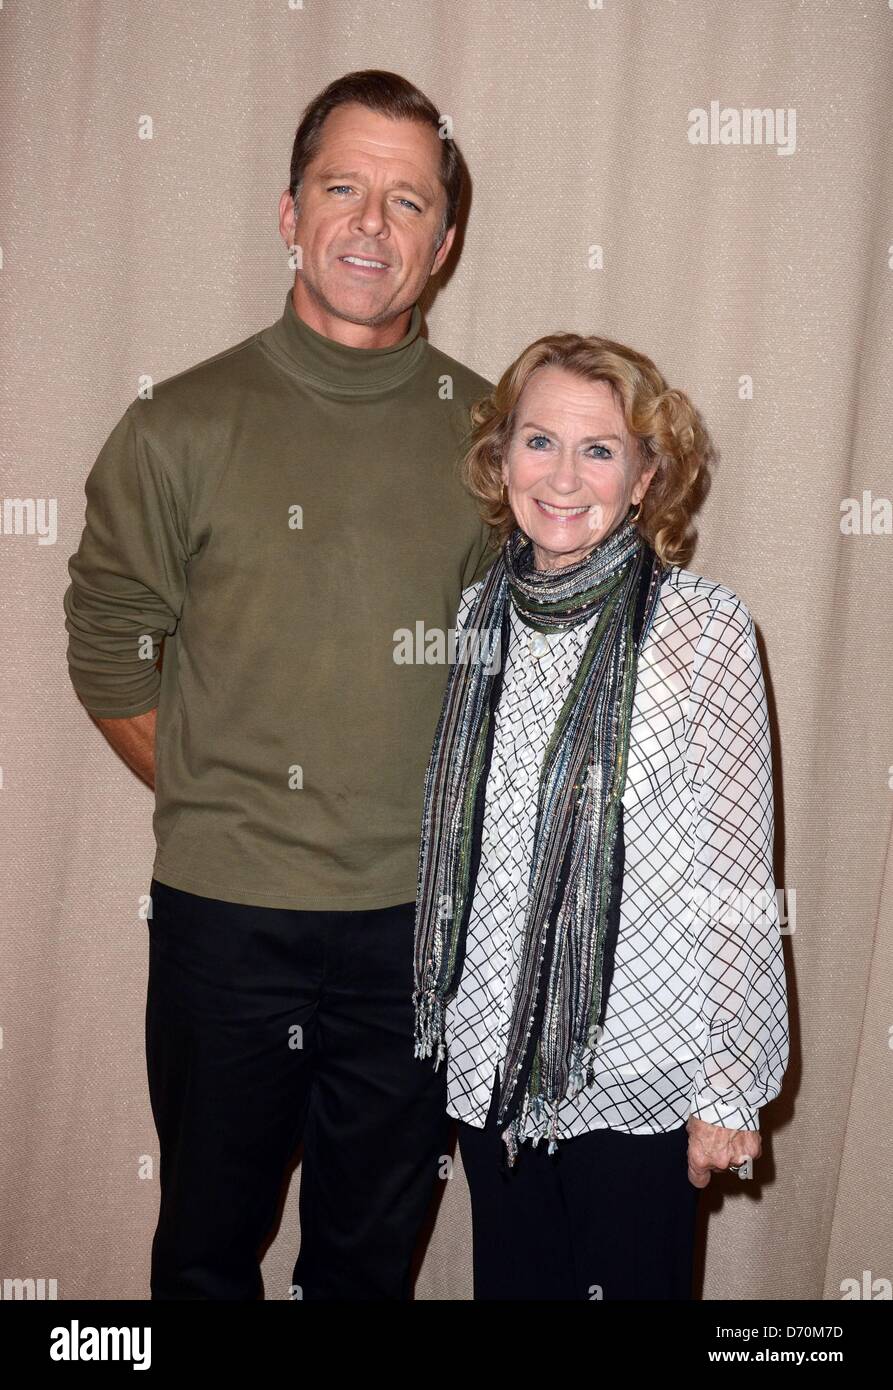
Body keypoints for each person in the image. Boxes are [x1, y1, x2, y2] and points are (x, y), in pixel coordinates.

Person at [63, 69, 498, 1300]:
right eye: (342, 188)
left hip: (421, 932)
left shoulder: (490, 440)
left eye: (406, 201)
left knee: (367, 1263)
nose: (371, 224)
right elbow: (107, 646)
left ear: (443, 242)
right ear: (288, 212)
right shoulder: (177, 427)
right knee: (204, 1255)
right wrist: (224, 802)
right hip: (222, 923)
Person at [412, 334, 790, 1300]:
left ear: (646, 475)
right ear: (500, 460)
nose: (564, 476)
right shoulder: (474, 615)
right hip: (493, 1066)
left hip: (640, 1077)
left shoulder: (703, 627)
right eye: (538, 442)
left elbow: (740, 880)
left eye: (599, 449)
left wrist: (729, 1090)